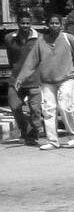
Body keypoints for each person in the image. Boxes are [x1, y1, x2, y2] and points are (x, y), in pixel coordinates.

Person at [14, 14, 74, 150]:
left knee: (65, 107)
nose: (54, 25)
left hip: (66, 79)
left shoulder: (68, 38)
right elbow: (31, 61)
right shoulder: (41, 41)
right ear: (47, 25)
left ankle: (73, 136)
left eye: (57, 23)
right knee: (48, 110)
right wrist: (21, 78)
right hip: (47, 81)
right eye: (51, 23)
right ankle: (52, 141)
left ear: (61, 25)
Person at [3, 14, 41, 145]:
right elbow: (10, 58)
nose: (25, 26)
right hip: (16, 80)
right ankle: (24, 131)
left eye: (27, 23)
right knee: (14, 106)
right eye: (22, 23)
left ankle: (34, 133)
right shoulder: (9, 38)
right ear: (17, 23)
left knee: (35, 110)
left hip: (34, 80)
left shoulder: (39, 38)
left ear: (31, 23)